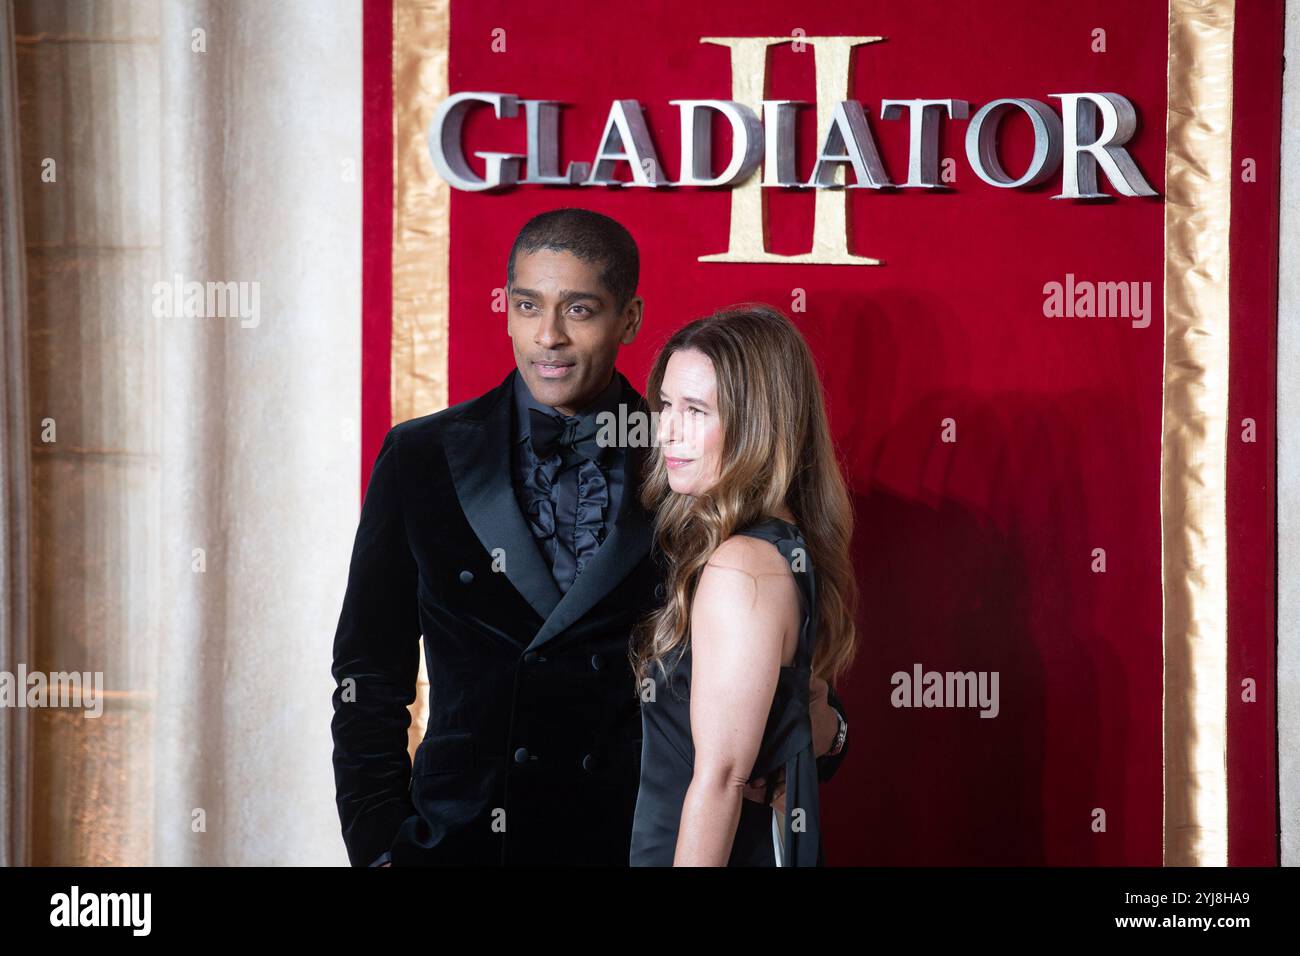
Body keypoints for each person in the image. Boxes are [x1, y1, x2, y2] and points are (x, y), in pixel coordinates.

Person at [330, 208, 851, 866]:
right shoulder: (420, 455)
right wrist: (380, 851)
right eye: (526, 306)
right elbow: (367, 677)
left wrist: (829, 737)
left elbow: (781, 684)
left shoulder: (691, 459)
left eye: (578, 310)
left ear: (628, 319)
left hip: (632, 846)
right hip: (460, 849)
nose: (547, 336)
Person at [628, 305, 859, 866]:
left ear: (759, 423)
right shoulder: (779, 544)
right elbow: (809, 713)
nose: (668, 432)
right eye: (665, 406)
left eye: (696, 410)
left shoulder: (740, 566)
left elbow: (721, 781)